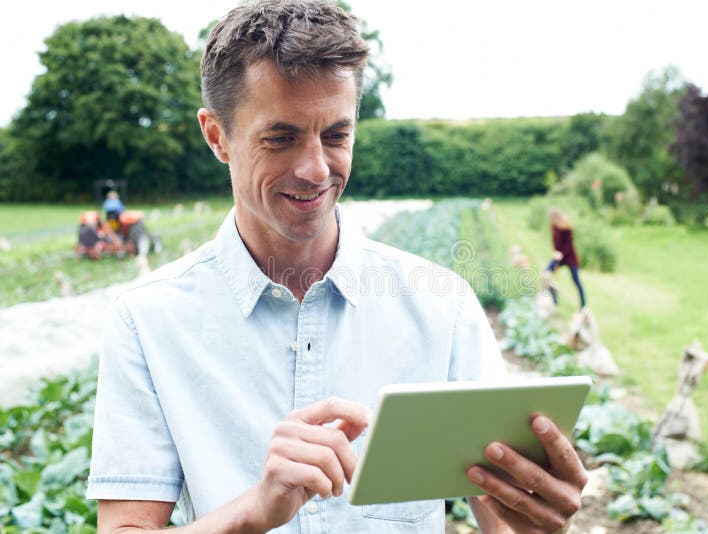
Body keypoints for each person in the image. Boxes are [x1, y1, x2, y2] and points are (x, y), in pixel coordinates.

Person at [86, 2, 587, 533]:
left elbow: (501, 517)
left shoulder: (444, 306)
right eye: (280, 138)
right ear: (216, 136)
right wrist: (254, 512)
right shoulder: (147, 321)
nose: (314, 169)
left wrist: (533, 521)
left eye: (336, 136)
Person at [544, 208, 586, 308]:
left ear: (556, 217)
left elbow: (568, 244)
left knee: (576, 281)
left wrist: (561, 253)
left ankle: (583, 305)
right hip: (559, 257)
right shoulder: (554, 226)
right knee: (546, 273)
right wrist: (556, 252)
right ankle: (554, 297)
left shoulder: (566, 227)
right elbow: (554, 241)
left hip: (570, 257)